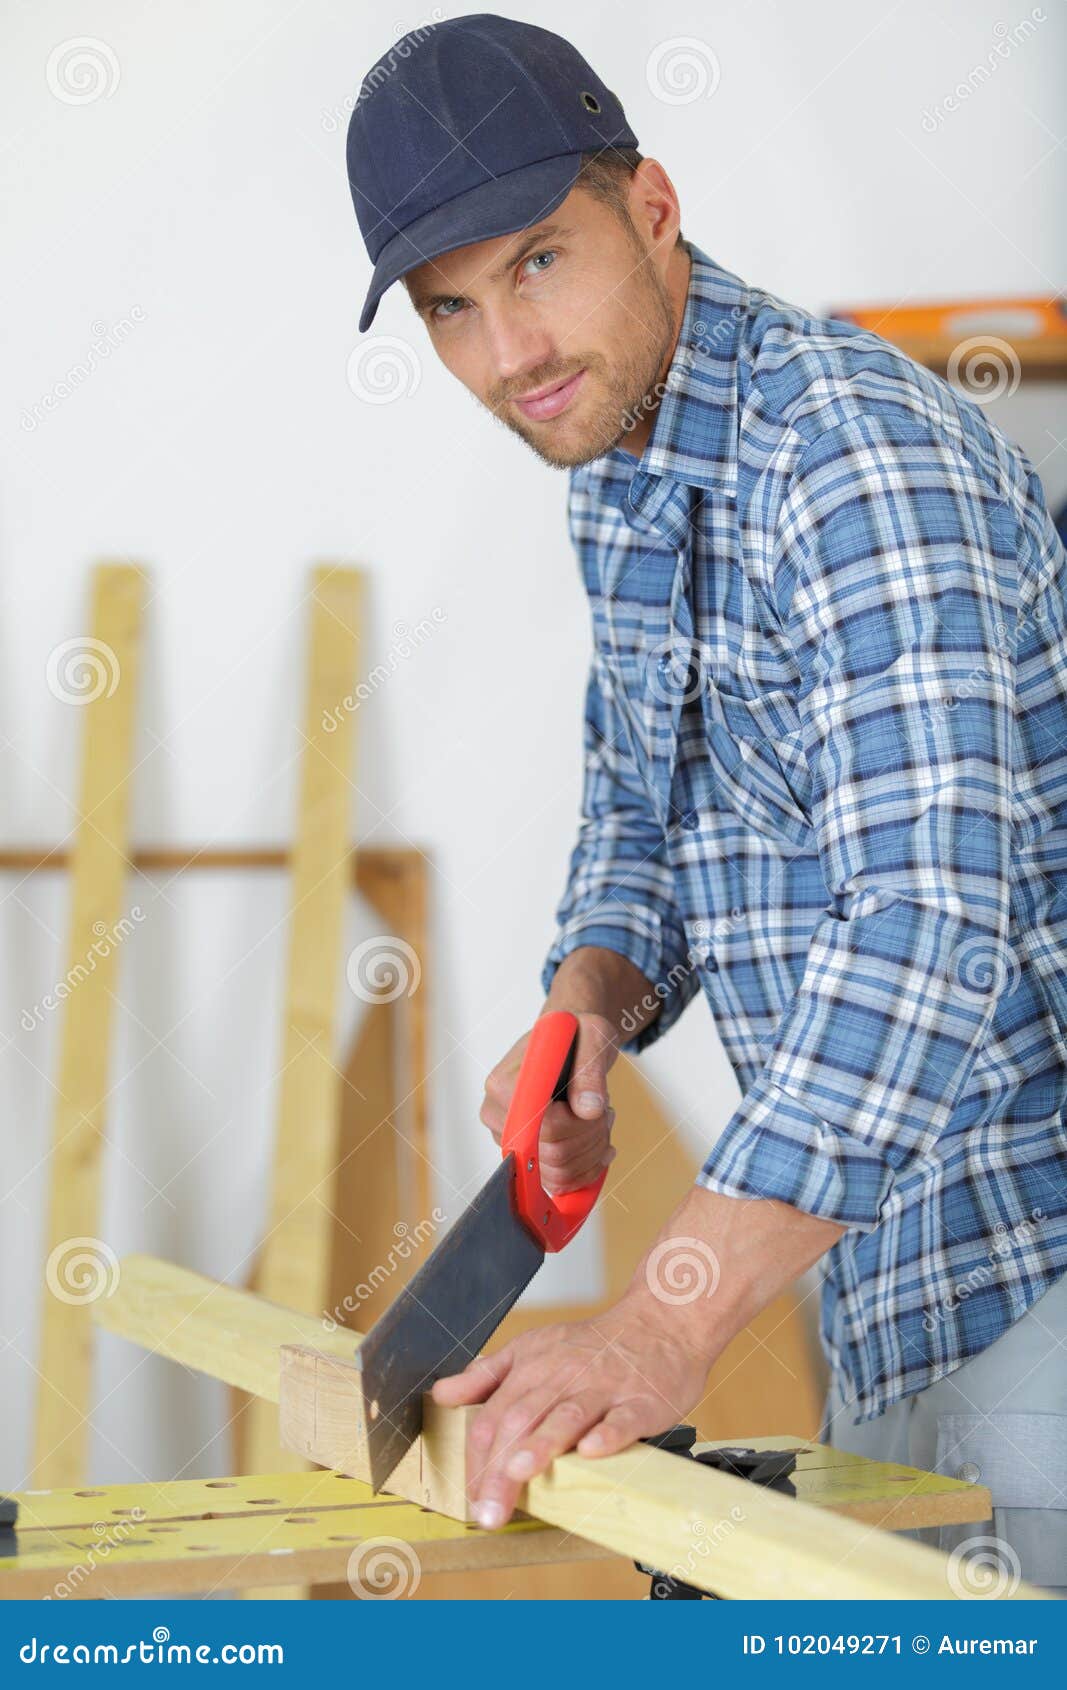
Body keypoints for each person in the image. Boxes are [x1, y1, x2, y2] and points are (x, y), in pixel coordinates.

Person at [345, 14, 1067, 1586]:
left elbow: (929, 927)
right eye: (452, 308)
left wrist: (663, 1320)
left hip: (1041, 1286)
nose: (508, 356)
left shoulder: (850, 462)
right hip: (877, 1285)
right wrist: (593, 994)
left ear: (653, 211)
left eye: (539, 262)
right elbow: (642, 803)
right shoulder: (617, 456)